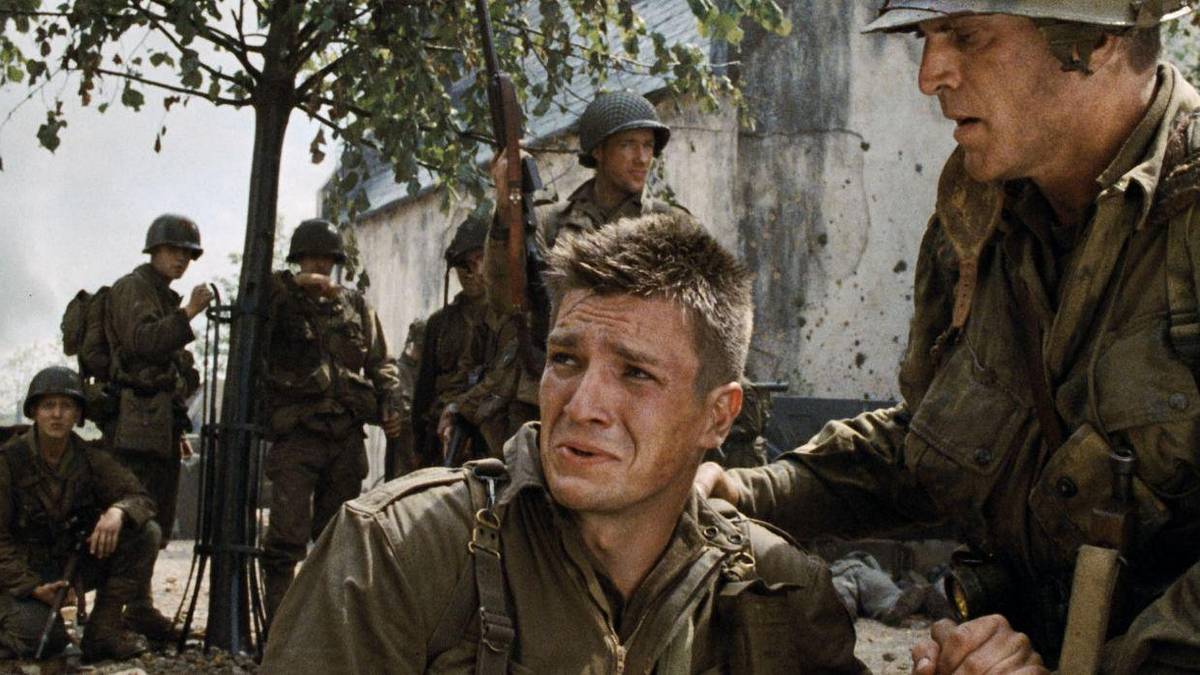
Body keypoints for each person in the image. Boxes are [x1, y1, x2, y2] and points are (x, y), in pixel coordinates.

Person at [697, 1, 1200, 672]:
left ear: (1096, 37)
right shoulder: (978, 217)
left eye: (966, 36)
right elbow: (932, 443)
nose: (929, 75)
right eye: (926, 38)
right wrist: (746, 492)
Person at [261, 212, 866, 673]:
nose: (580, 405)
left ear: (718, 416)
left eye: (636, 373)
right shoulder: (397, 554)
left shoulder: (777, 587)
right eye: (565, 359)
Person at [444, 91, 691, 456]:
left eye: (648, 146)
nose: (642, 158)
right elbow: (502, 298)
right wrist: (507, 207)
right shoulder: (548, 222)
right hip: (552, 396)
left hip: (638, 398)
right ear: (598, 151)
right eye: (628, 145)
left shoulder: (671, 226)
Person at [259, 218, 403, 626]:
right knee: (286, 538)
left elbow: (381, 361)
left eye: (326, 258)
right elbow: (257, 315)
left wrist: (391, 402)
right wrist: (291, 287)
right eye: (311, 258)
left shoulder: (354, 305)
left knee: (338, 538)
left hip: (344, 435)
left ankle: (326, 631)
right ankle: (279, 630)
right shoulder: (279, 298)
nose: (319, 265)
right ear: (298, 259)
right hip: (298, 433)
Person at [0, 367, 168, 661]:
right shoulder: (9, 462)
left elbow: (141, 499)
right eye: (48, 406)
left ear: (78, 414)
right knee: (42, 640)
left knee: (145, 533)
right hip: (16, 575)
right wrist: (32, 588)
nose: (57, 415)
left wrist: (118, 511)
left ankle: (103, 631)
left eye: (66, 406)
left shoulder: (89, 459)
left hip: (65, 565)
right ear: (34, 412)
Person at [104, 213, 211, 637]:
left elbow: (173, 370)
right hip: (134, 427)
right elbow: (143, 343)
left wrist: (176, 427)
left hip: (158, 425)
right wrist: (189, 313)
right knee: (136, 515)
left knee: (158, 515)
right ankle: (118, 611)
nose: (181, 259)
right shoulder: (133, 288)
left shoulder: (162, 295)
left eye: (187, 254)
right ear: (155, 250)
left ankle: (140, 606)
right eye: (173, 250)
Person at [411, 215, 491, 466]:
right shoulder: (440, 323)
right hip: (443, 435)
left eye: (479, 260)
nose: (471, 272)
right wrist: (418, 444)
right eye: (464, 264)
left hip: (488, 432)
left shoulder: (509, 320)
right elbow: (424, 388)